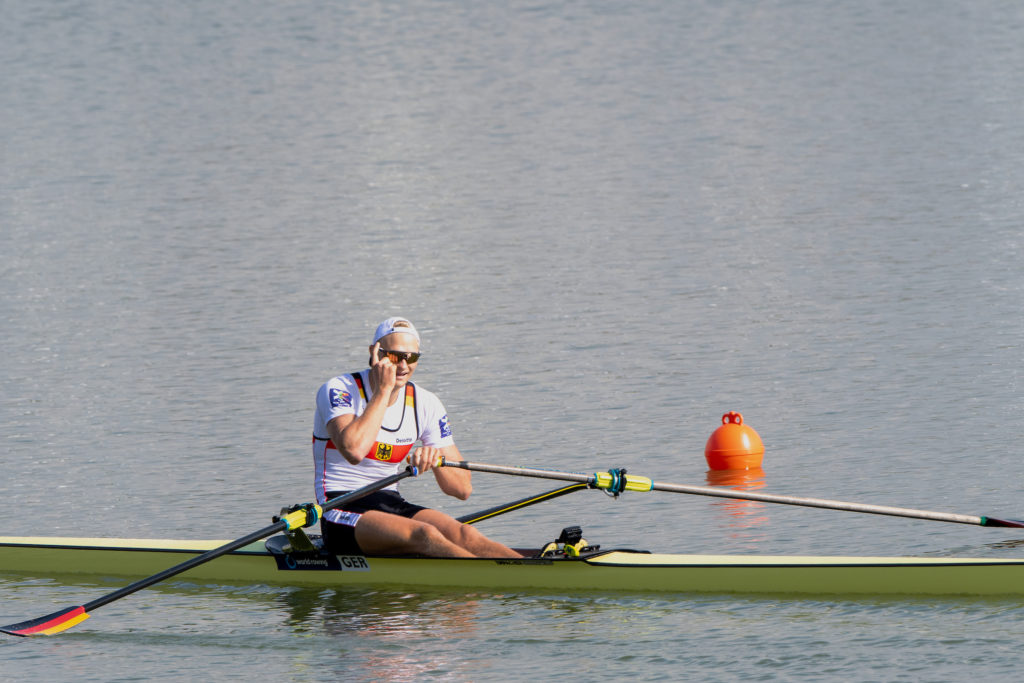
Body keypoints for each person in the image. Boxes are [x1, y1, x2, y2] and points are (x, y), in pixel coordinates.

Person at [312, 317, 522, 558]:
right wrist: (383, 391)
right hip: (339, 509)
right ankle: (490, 584)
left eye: (411, 358)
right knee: (426, 535)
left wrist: (436, 461)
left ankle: (529, 574)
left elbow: (462, 489)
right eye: (393, 356)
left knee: (465, 535)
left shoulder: (425, 402)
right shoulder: (339, 389)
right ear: (374, 353)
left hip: (389, 502)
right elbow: (354, 451)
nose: (403, 365)